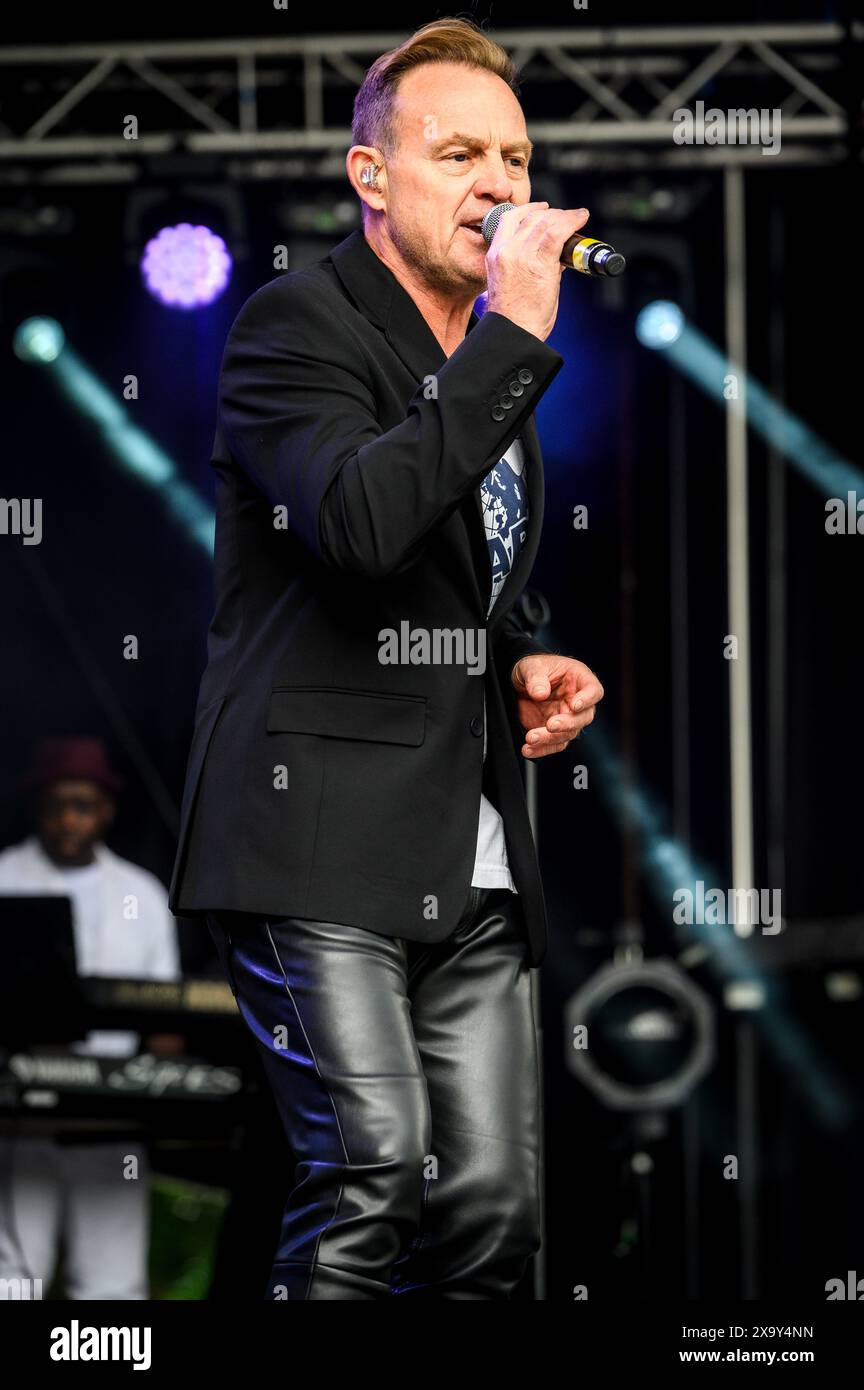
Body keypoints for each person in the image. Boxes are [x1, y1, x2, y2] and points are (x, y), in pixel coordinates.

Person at [169, 17, 604, 1300]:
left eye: (515, 158)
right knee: (371, 1168)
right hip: (315, 836)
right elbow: (361, 526)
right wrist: (514, 340)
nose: (500, 184)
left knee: (492, 1212)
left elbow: (459, 570)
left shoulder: (482, 358)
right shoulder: (294, 326)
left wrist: (520, 655)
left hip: (467, 847)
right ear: (371, 175)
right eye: (459, 154)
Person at [0, 736, 181, 1299]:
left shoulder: (142, 894)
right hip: (17, 1118)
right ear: (38, 808)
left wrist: (160, 1083)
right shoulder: (4, 876)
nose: (68, 819)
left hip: (112, 1123)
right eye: (56, 805)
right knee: (10, 1281)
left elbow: (167, 1016)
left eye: (83, 805)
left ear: (107, 810)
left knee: (112, 1285)